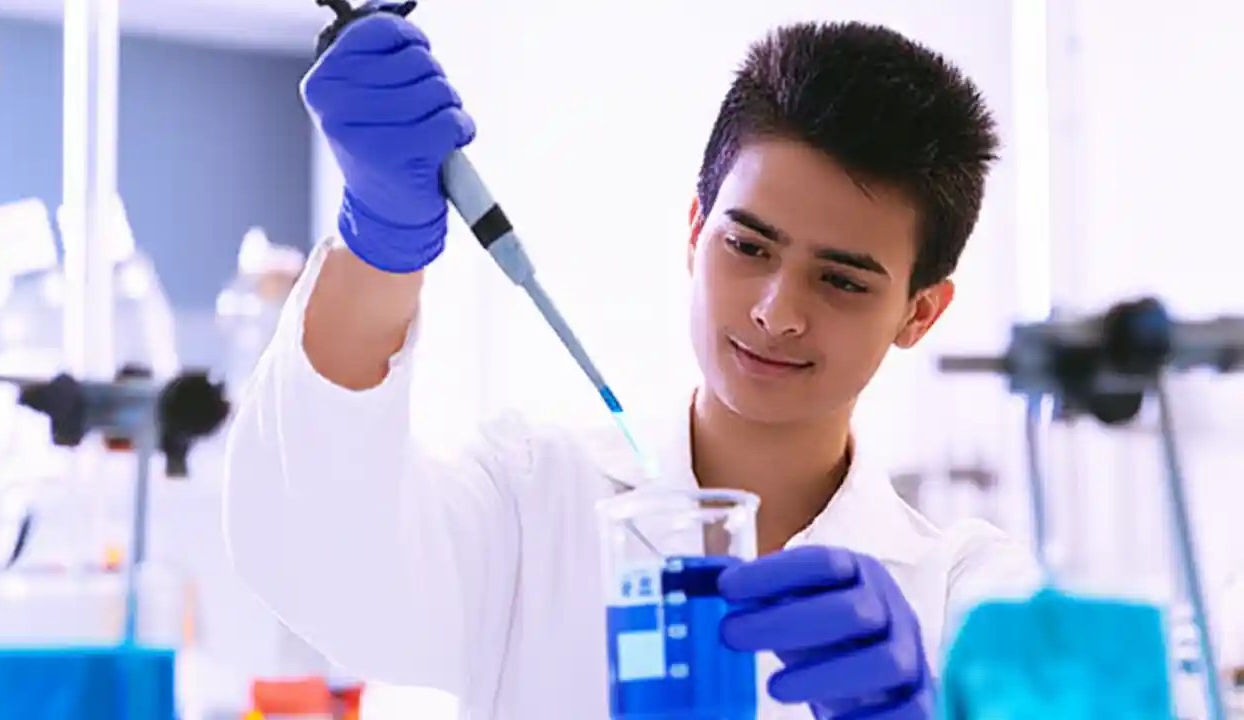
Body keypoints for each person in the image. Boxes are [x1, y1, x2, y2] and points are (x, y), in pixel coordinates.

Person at [223, 6, 1039, 719]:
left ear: (920, 312)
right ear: (694, 230)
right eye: (748, 245)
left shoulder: (967, 596)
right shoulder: (533, 497)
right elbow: (318, 560)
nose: (775, 311)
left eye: (840, 280)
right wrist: (381, 240)